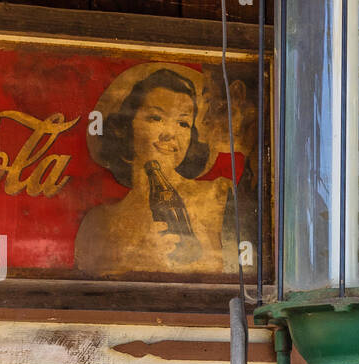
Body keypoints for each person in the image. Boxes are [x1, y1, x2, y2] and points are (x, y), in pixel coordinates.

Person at [76, 66, 240, 276]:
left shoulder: (219, 195)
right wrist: (136, 260)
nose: (170, 134)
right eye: (156, 118)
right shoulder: (100, 223)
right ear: (127, 126)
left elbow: (241, 278)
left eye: (183, 123)